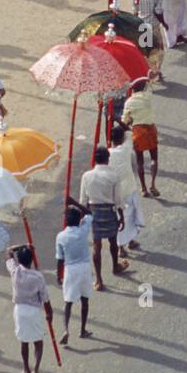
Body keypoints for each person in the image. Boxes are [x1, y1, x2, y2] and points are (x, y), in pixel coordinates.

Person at [78, 148, 128, 289]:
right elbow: (118, 199)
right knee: (113, 242)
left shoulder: (86, 176)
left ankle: (99, 280)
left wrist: (82, 218)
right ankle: (115, 266)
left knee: (96, 247)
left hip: (94, 213)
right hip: (109, 211)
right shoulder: (113, 175)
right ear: (108, 159)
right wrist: (122, 217)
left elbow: (83, 200)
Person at [6, 245, 53, 373]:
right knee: (38, 341)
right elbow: (45, 297)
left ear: (18, 260)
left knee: (24, 341)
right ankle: (36, 369)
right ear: (32, 260)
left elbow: (9, 251)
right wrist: (49, 312)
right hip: (34, 311)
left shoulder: (14, 271)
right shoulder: (38, 276)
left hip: (20, 310)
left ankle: (26, 369)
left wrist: (23, 246)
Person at [55, 204, 94, 343]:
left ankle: (66, 329)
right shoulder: (83, 230)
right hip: (84, 268)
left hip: (70, 270)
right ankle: (82, 330)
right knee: (85, 301)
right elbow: (89, 213)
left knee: (68, 302)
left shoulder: (60, 236)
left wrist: (58, 275)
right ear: (79, 220)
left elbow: (60, 259)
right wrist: (75, 203)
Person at [110, 122, 143, 258]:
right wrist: (119, 120)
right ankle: (124, 245)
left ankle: (124, 245)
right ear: (122, 139)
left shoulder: (108, 153)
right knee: (130, 216)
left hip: (116, 193)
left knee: (120, 219)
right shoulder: (126, 148)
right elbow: (129, 131)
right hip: (129, 188)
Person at [121, 78, 159, 197]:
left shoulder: (128, 102)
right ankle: (152, 183)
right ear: (143, 88)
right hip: (150, 129)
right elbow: (150, 86)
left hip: (137, 132)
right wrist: (148, 78)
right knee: (154, 158)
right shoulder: (147, 97)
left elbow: (125, 120)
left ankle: (143, 188)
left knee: (140, 161)